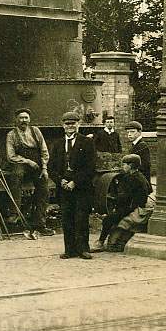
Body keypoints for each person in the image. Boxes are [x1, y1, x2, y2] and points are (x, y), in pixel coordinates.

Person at [48, 110, 97, 259]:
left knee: (81, 218)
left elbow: (90, 167)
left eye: (73, 123)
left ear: (78, 124)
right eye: (67, 124)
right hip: (64, 188)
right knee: (67, 219)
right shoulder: (57, 144)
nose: (70, 126)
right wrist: (60, 181)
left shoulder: (87, 142)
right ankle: (69, 250)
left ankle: (83, 249)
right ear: (63, 125)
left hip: (81, 187)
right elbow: (51, 167)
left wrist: (75, 182)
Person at [5, 108, 54, 238]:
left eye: (26, 118)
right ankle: (14, 213)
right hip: (21, 162)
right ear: (16, 120)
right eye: (21, 118)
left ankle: (40, 224)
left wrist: (44, 168)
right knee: (16, 176)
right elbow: (11, 156)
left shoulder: (35, 131)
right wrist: (27, 161)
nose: (23, 120)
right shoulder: (11, 135)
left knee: (43, 187)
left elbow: (44, 150)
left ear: (29, 119)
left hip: (36, 162)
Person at [94, 154, 152, 252]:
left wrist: (115, 206)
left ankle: (100, 242)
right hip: (138, 205)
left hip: (132, 208)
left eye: (125, 164)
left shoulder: (130, 178)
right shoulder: (140, 176)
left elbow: (123, 198)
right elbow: (149, 189)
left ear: (131, 166)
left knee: (108, 219)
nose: (123, 166)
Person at [125, 121, 152, 190]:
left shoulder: (141, 145)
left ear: (139, 132)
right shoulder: (135, 145)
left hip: (140, 182)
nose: (129, 134)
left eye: (132, 132)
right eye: (128, 132)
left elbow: (145, 165)